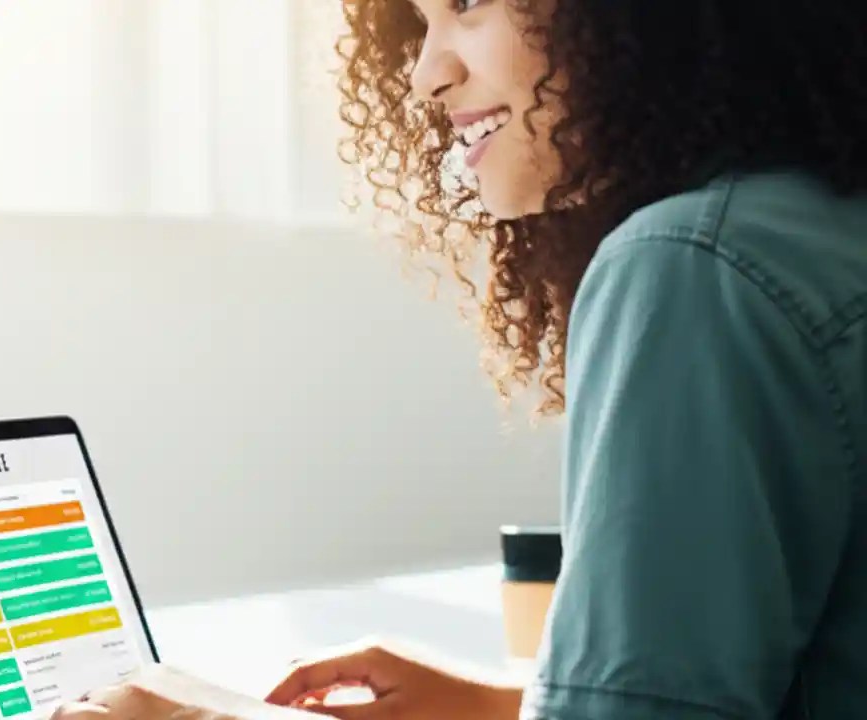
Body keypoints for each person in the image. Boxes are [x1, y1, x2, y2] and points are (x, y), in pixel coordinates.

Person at [53, 0, 867, 717]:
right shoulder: (817, 230)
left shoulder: (695, 265)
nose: (423, 76)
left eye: (469, 4)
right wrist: (501, 705)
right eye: (419, 21)